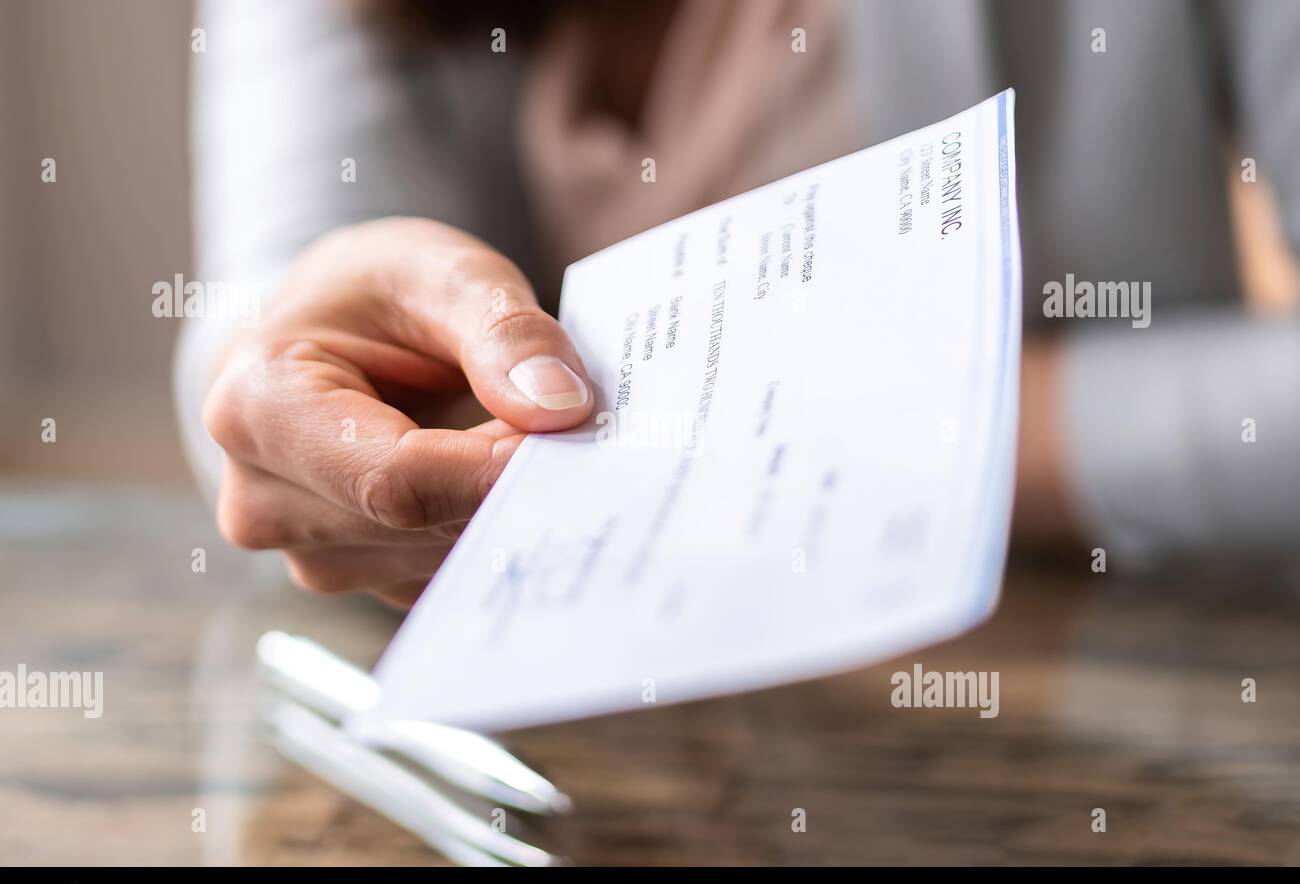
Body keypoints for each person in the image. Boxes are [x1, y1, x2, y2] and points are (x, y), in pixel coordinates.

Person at [176, 0, 1300, 608]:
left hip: (1081, 679)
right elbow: (266, 318)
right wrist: (301, 378)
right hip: (583, 738)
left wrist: (910, 428)